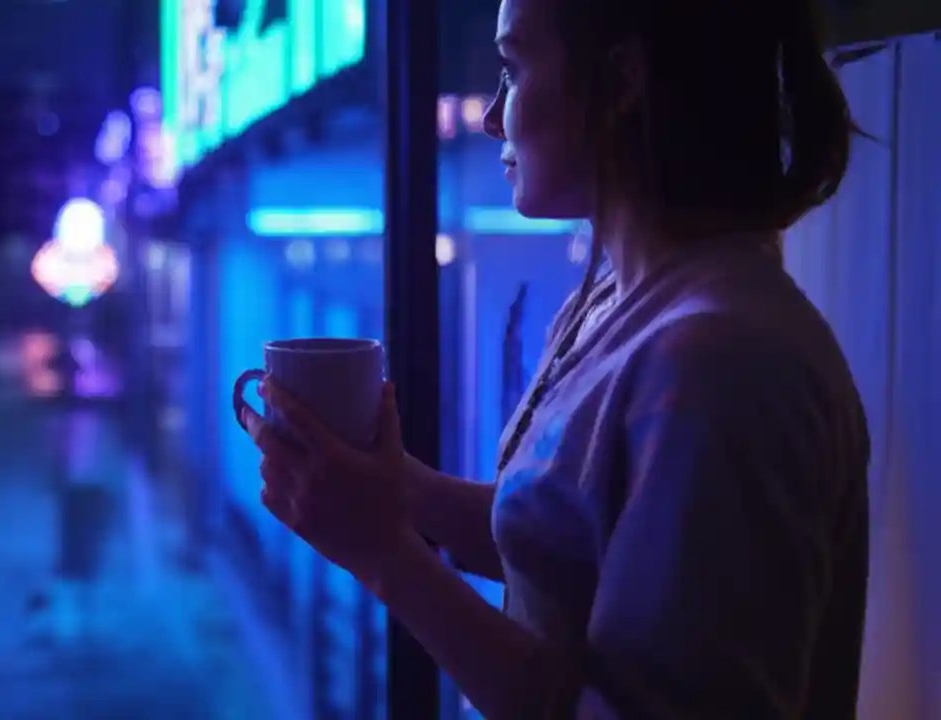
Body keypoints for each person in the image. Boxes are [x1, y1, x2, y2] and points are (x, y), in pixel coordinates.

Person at [239, 0, 870, 716]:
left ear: (622, 80)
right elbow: (563, 547)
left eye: (512, 68)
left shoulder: (720, 367)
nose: (491, 116)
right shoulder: (614, 306)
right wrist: (402, 492)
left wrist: (384, 554)